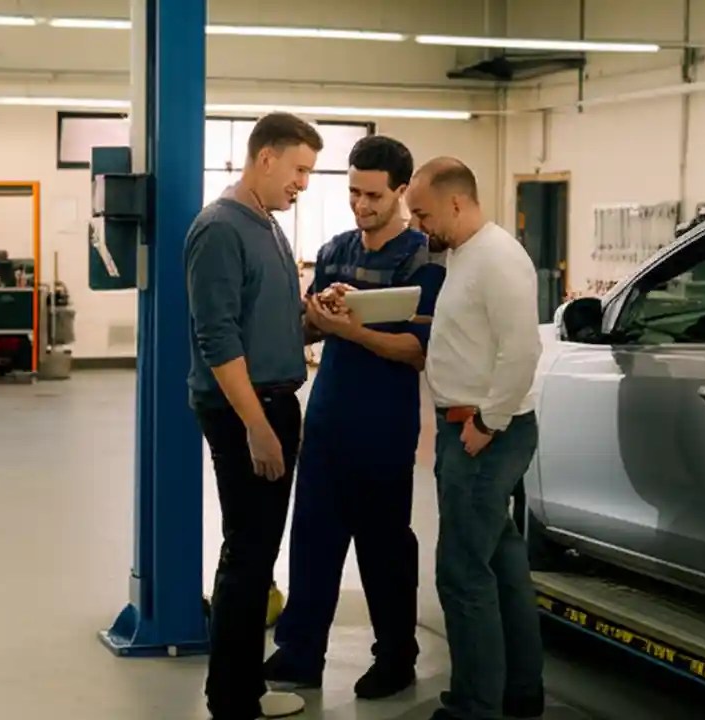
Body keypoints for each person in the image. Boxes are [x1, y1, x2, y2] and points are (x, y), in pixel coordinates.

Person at [262, 135, 444, 699]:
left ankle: (395, 657)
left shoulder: (423, 260)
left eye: (372, 195)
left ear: (401, 192)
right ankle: (300, 651)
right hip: (328, 416)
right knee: (313, 536)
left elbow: (417, 351)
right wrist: (319, 315)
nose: (361, 205)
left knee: (384, 546)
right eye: (353, 193)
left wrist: (352, 331)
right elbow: (310, 330)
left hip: (384, 424)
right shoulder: (336, 249)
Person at [185, 112, 323, 720]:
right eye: (299, 170)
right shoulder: (220, 228)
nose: (304, 184)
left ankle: (243, 690)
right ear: (265, 159)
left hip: (273, 403)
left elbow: (266, 317)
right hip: (247, 411)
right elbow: (217, 339)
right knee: (248, 555)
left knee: (258, 552)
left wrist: (315, 317)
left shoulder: (267, 224)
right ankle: (234, 698)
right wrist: (257, 426)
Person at [405, 157, 546, 720]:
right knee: (500, 561)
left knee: (462, 572)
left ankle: (474, 706)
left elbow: (523, 351)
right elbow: (472, 333)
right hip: (472, 425)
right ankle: (518, 691)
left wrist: (486, 424)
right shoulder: (464, 255)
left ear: (457, 203)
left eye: (423, 212)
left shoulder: (498, 258)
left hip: (483, 431)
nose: (418, 224)